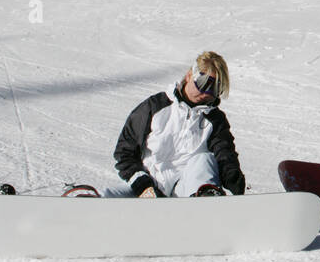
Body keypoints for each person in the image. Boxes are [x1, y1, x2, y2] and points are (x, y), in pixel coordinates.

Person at [97, 51, 246, 197]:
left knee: (204, 158)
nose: (207, 93)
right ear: (190, 75)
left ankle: (204, 200)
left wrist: (233, 179)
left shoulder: (214, 119)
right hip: (149, 188)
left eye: (215, 88)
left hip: (186, 190)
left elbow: (224, 154)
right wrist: (141, 184)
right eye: (203, 83)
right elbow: (125, 152)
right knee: (109, 196)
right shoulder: (154, 107)